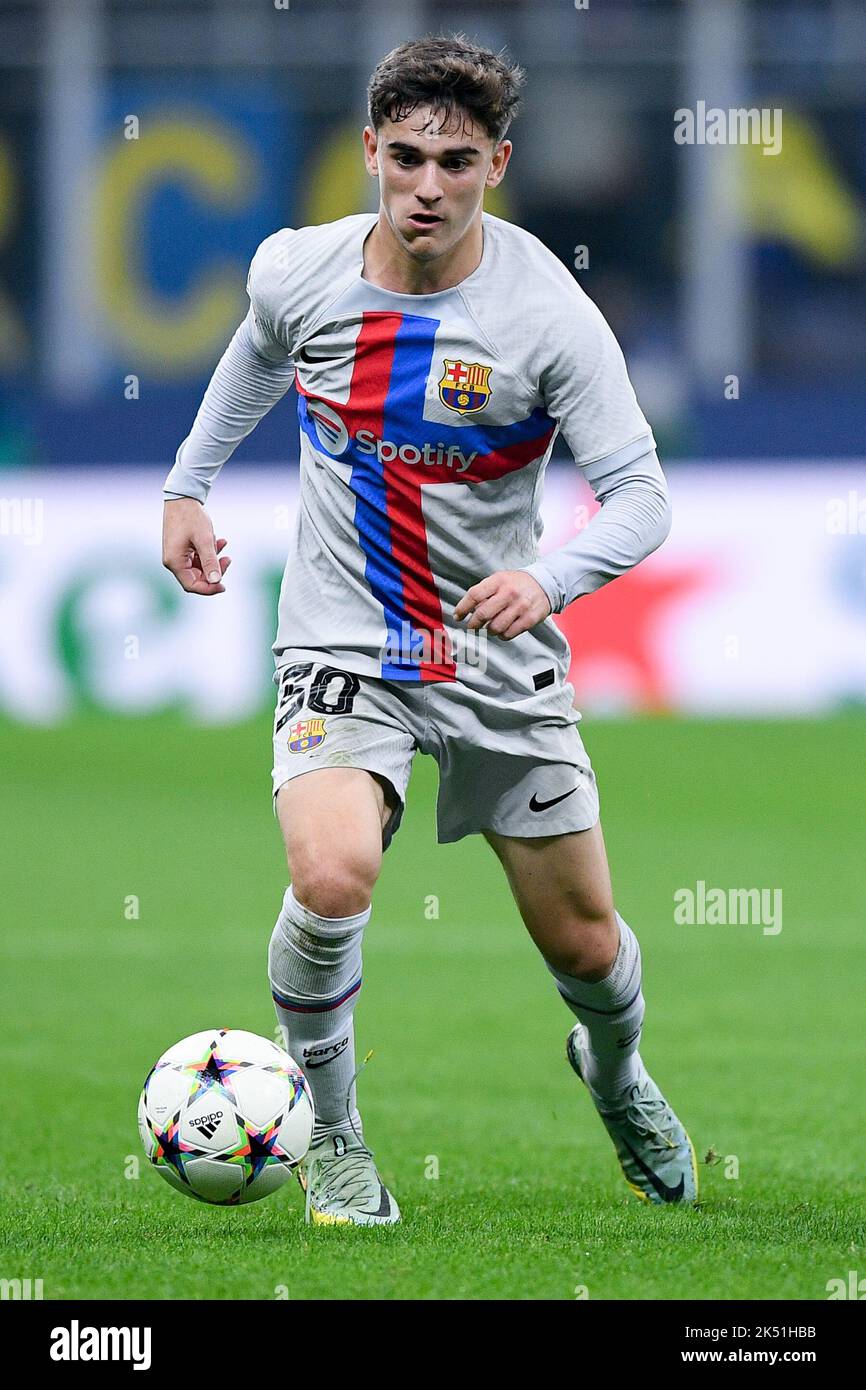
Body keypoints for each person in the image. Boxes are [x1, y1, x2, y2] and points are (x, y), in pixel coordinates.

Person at [162, 33, 697, 1225]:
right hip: (343, 640)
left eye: (454, 162)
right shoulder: (295, 271)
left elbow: (646, 499)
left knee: (586, 946)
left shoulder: (547, 314)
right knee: (332, 872)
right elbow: (257, 357)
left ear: (495, 164)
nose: (425, 185)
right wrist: (187, 486)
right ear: (368, 151)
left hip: (495, 656)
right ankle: (333, 1140)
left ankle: (614, 1076)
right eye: (404, 156)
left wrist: (549, 581)